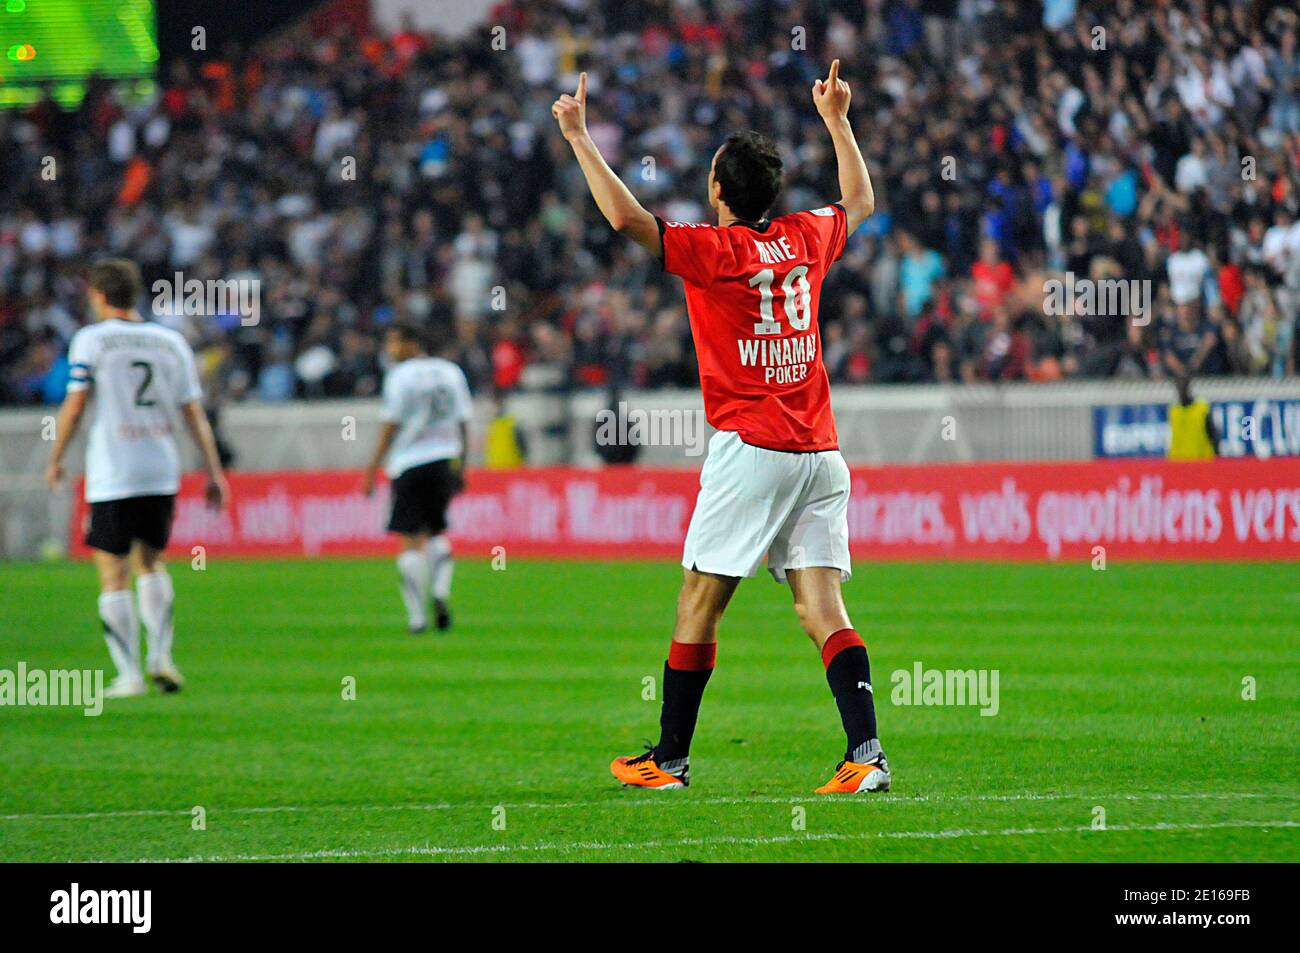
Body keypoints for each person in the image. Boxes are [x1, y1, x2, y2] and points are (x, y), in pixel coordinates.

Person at [552, 61, 890, 793]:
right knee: (820, 606)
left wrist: (578, 136)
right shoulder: (807, 236)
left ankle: (669, 759)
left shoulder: (716, 253)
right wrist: (837, 120)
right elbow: (859, 198)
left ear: (716, 191)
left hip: (753, 449)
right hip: (822, 452)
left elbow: (625, 219)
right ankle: (867, 755)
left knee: (698, 603)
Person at [44, 259, 230, 698]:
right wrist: (214, 471)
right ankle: (161, 656)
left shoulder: (91, 340)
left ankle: (129, 675)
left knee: (113, 571)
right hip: (160, 468)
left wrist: (55, 458)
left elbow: (74, 404)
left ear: (99, 295)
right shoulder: (171, 342)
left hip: (115, 469)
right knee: (152, 562)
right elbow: (193, 414)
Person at [363, 323, 472, 633]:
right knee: (436, 531)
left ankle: (417, 618)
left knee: (410, 540)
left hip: (410, 462)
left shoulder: (399, 377)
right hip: (444, 460)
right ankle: (439, 591)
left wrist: (371, 469)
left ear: (411, 343)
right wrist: (462, 465)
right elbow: (464, 420)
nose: (390, 349)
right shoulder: (451, 372)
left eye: (394, 342)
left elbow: (390, 425)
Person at [1168, 375, 1218, 460]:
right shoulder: (1173, 410)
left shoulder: (1202, 408)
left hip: (1201, 460)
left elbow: (1212, 434)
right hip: (1179, 461)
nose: (1181, 389)